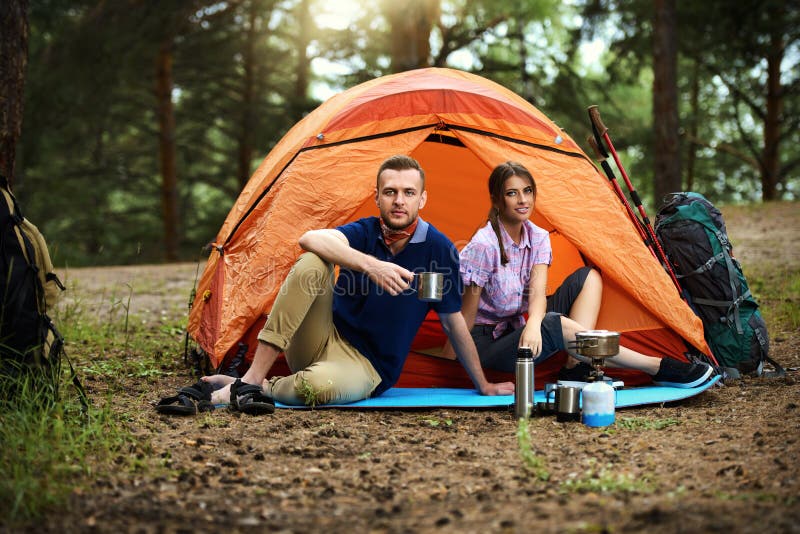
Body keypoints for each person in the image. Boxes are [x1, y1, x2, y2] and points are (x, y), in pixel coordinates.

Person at [198, 155, 514, 411]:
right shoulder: (365, 231)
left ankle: (264, 387)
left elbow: (453, 323)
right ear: (377, 197)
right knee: (313, 261)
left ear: (422, 199)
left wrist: (484, 384)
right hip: (321, 338)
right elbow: (309, 238)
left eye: (408, 193)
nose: (399, 201)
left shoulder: (439, 250)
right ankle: (253, 378)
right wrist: (371, 266)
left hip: (367, 366)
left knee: (314, 388)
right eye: (390, 192)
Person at [456, 161, 714, 387]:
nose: (523, 200)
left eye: (528, 191)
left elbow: (537, 295)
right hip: (485, 344)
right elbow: (464, 317)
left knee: (588, 277)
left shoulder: (538, 236)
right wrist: (448, 368)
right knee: (554, 323)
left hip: (520, 327)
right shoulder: (484, 245)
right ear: (497, 200)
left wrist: (533, 324)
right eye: (512, 193)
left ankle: (575, 365)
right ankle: (655, 366)